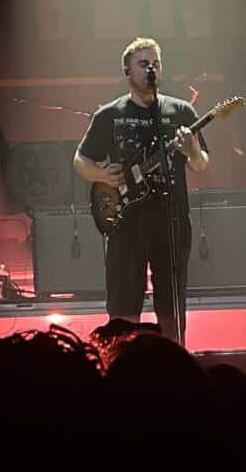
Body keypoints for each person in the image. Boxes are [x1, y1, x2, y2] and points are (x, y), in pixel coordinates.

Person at [74, 37, 209, 344]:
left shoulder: (182, 111)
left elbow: (200, 164)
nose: (151, 69)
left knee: (171, 304)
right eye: (143, 63)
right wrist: (101, 175)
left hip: (171, 220)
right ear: (127, 71)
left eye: (156, 63)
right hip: (126, 222)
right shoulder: (110, 114)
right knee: (124, 304)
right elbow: (80, 160)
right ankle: (120, 365)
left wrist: (191, 148)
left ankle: (174, 362)